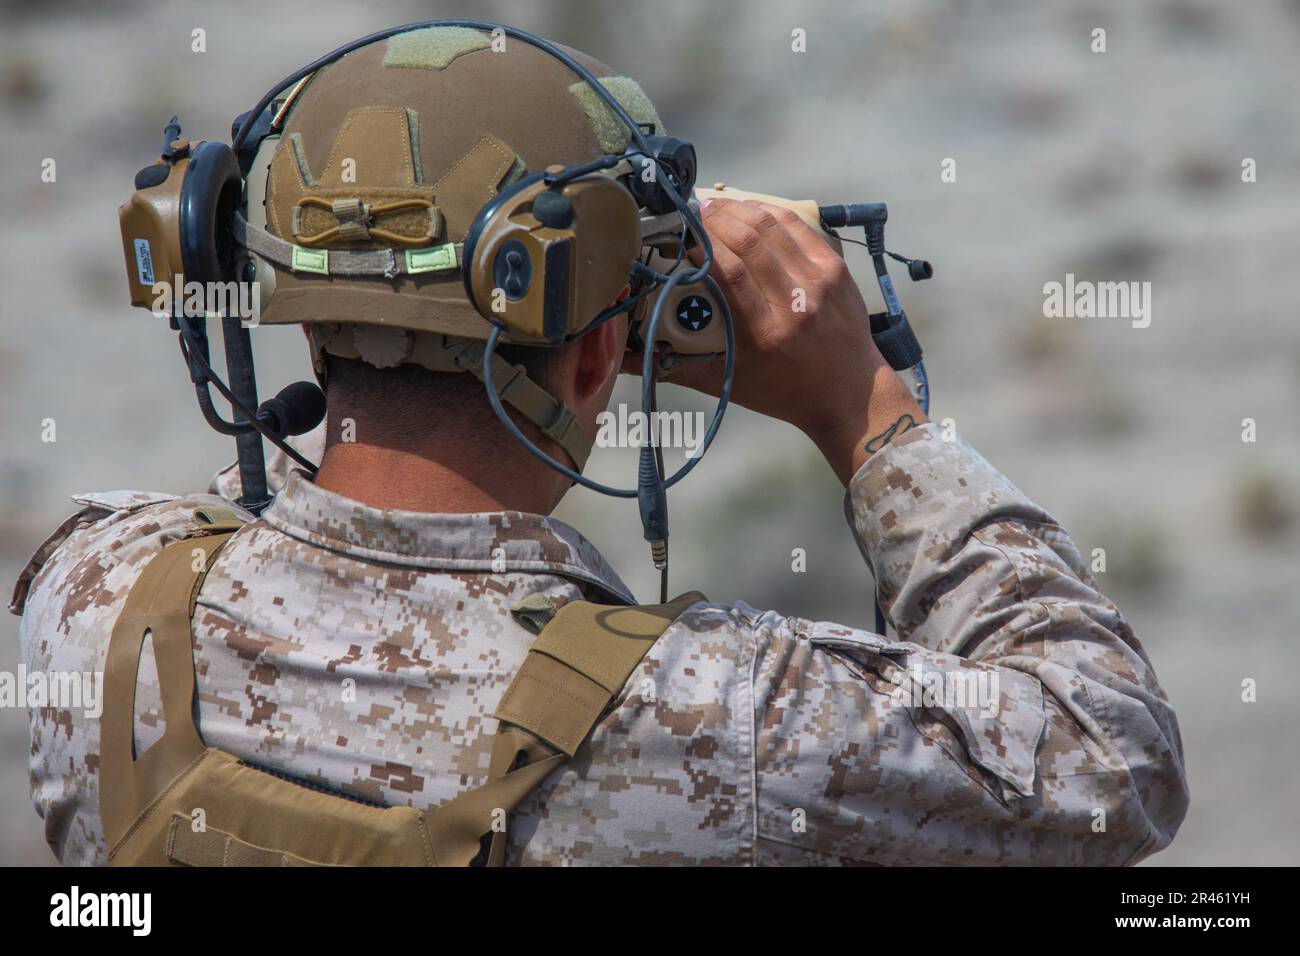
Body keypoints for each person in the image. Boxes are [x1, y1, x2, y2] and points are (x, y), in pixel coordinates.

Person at [11, 25, 1187, 866]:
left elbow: (275, 532)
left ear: (288, 305)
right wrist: (863, 415)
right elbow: (1106, 762)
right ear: (594, 362)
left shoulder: (93, 589)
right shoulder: (714, 718)